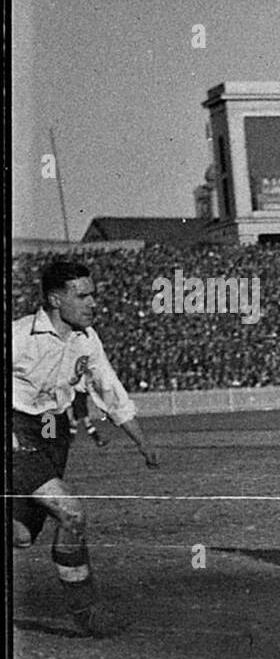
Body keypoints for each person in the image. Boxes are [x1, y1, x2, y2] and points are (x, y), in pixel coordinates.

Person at [11, 260, 160, 636]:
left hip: (51, 435)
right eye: (83, 295)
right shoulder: (19, 337)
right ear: (54, 299)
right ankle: (87, 612)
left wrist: (142, 442)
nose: (93, 303)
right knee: (72, 513)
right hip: (14, 430)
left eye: (93, 294)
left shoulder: (87, 338)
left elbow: (109, 389)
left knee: (21, 536)